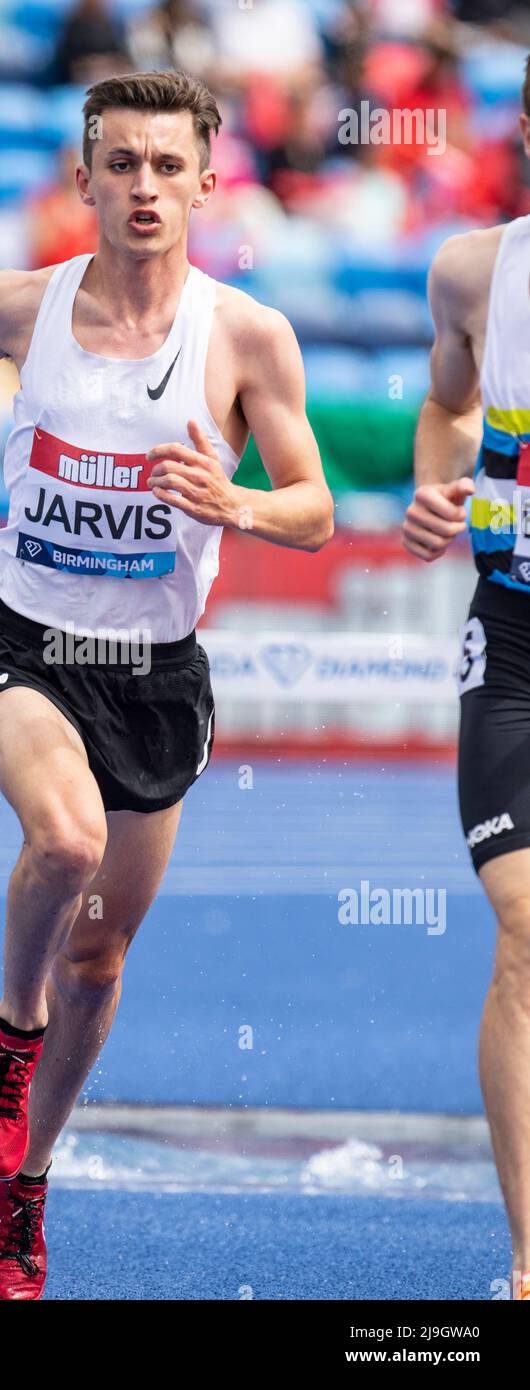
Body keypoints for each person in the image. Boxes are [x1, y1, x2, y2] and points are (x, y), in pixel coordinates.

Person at [0, 69, 333, 1301]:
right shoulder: (21, 305)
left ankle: (23, 1191)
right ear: (82, 179)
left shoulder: (244, 336)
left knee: (102, 963)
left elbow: (312, 508)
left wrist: (232, 498)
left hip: (152, 676)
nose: (143, 186)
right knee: (67, 842)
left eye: (165, 166)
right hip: (28, 644)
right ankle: (7, 1035)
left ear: (204, 180)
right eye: (119, 164)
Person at [400, 54, 530, 1304]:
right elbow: (444, 416)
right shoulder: (472, 271)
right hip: (518, 647)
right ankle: (529, 1262)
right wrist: (435, 488)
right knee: (523, 927)